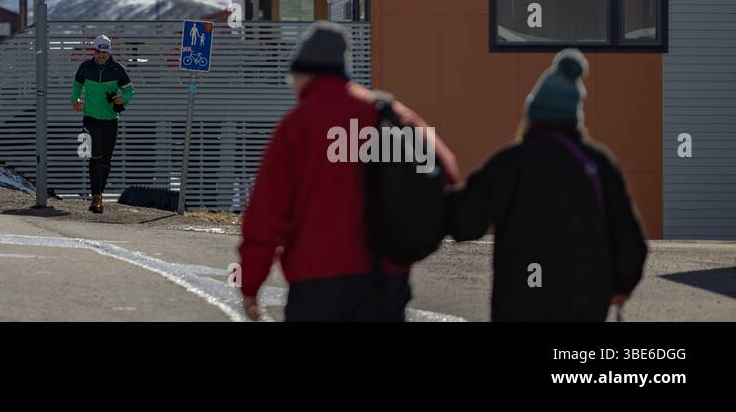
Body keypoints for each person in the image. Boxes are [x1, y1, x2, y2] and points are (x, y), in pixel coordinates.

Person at [238, 22, 459, 322]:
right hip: (384, 279)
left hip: (316, 284)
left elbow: (266, 215)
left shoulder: (297, 126)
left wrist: (250, 284)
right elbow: (445, 173)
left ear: (305, 74)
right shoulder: (387, 113)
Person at [446, 49, 647, 322]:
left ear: (533, 114)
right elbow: (631, 243)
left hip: (519, 305)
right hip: (583, 307)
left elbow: (465, 221)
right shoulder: (600, 164)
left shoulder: (511, 162)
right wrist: (621, 286)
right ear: (574, 118)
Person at [71, 34, 134, 214]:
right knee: (95, 157)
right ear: (94, 51)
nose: (101, 56)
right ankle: (96, 196)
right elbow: (76, 86)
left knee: (106, 159)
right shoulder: (85, 67)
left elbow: (130, 90)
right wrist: (75, 99)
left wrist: (124, 99)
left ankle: (99, 193)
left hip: (111, 119)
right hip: (90, 118)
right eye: (99, 52)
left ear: (109, 52)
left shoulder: (117, 69)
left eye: (105, 53)